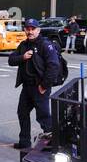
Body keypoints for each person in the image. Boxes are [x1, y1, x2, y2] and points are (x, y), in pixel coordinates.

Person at [10, 19, 61, 149]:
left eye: (33, 29)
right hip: (27, 87)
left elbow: (53, 66)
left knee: (43, 117)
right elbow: (11, 60)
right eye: (28, 29)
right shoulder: (23, 45)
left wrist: (44, 85)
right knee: (22, 113)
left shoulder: (45, 45)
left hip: (40, 87)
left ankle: (53, 145)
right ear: (25, 30)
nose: (30, 31)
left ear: (38, 30)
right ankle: (24, 142)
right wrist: (23, 57)